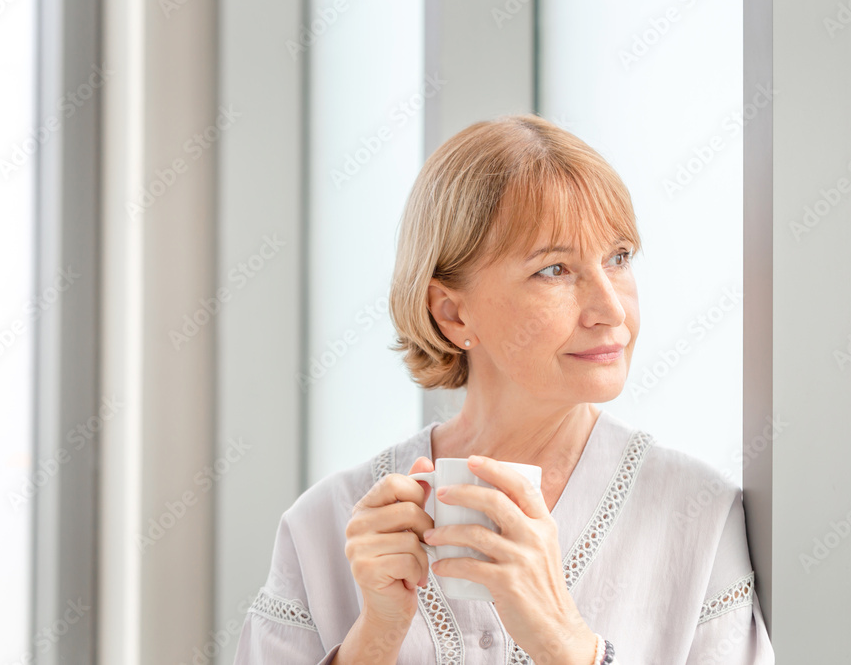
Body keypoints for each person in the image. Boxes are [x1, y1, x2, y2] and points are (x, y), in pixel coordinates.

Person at [232, 114, 775, 664]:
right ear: (451, 312)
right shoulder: (324, 526)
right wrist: (373, 639)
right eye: (555, 270)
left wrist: (566, 644)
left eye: (619, 258)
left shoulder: (698, 516)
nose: (611, 309)